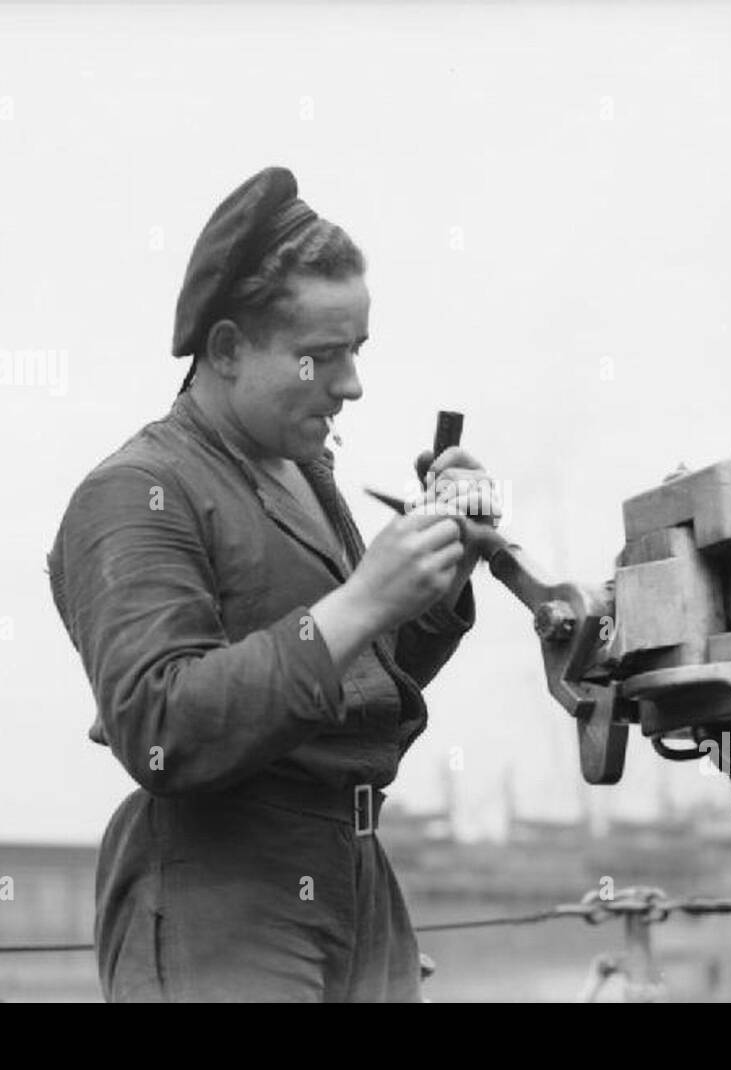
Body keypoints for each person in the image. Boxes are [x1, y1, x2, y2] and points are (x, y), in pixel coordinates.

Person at [46, 166, 499, 1002]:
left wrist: (432, 578)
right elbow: (158, 723)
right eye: (319, 358)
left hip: (354, 874)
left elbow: (346, 681)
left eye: (357, 350)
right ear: (225, 350)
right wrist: (365, 595)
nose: (352, 383)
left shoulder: (302, 472)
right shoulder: (137, 492)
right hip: (224, 890)